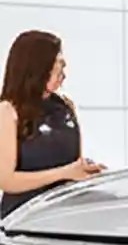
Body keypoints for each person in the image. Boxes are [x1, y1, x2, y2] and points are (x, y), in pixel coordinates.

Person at [0, 30, 103, 219]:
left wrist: (85, 170)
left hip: (64, 214)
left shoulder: (65, 106)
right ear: (38, 68)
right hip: (23, 219)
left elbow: (74, 164)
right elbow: (6, 180)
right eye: (58, 67)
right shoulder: (7, 111)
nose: (63, 74)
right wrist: (65, 173)